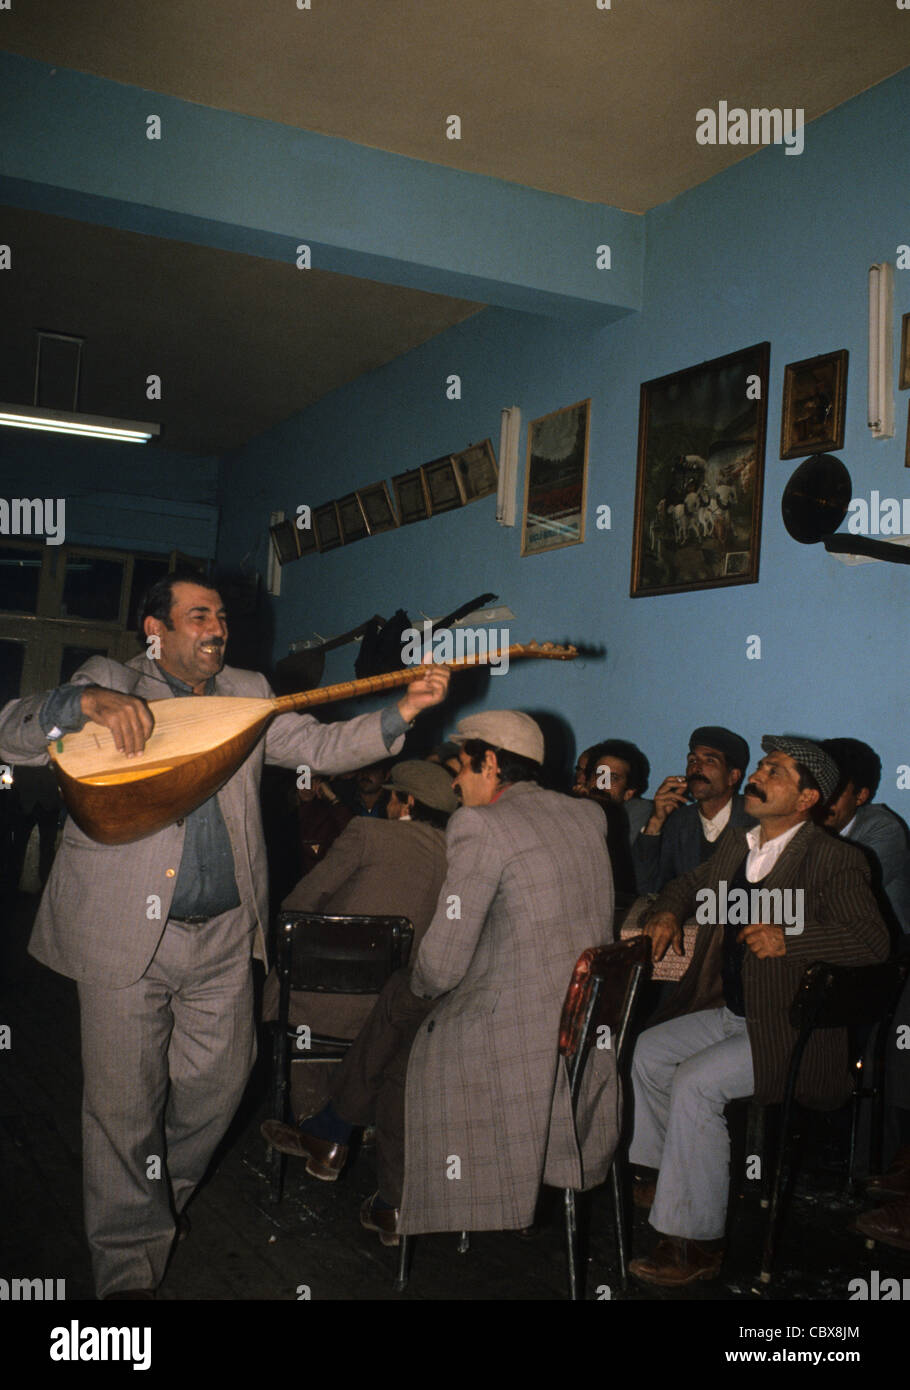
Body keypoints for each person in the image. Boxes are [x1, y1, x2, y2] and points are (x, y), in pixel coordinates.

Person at [0, 570, 449, 1299]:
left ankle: (153, 1200)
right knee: (121, 1108)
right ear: (157, 629)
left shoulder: (249, 690)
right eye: (199, 615)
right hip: (125, 935)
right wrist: (79, 703)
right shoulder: (109, 678)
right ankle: (127, 1274)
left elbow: (325, 746)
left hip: (223, 938)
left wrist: (404, 709)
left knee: (217, 1090)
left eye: (222, 617)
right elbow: (13, 734)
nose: (218, 628)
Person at [262, 710, 619, 1245]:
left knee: (407, 1013)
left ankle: (365, 1165)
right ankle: (343, 1145)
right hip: (581, 1024)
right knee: (404, 1003)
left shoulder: (482, 825)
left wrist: (422, 982)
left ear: (491, 763)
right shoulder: (587, 817)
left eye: (462, 766)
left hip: (513, 1031)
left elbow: (443, 965)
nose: (455, 782)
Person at [627, 736, 890, 1287]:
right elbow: (690, 883)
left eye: (775, 771)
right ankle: (660, 1176)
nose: (760, 776)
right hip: (736, 1015)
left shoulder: (836, 858)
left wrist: (790, 937)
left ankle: (695, 1241)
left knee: (696, 1083)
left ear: (805, 799)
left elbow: (873, 943)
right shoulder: (741, 845)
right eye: (762, 767)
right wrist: (669, 912)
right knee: (650, 1052)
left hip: (791, 1031)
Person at [261, 760, 457, 1115]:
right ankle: (337, 1125)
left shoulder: (369, 833)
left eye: (393, 797)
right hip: (392, 1008)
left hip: (326, 998)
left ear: (407, 802)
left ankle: (310, 1120)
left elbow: (300, 904)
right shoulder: (456, 856)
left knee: (291, 985)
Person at [631, 725, 754, 895]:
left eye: (710, 761)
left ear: (733, 776)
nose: (696, 768)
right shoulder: (678, 823)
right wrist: (655, 822)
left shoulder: (756, 820)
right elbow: (646, 889)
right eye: (692, 760)